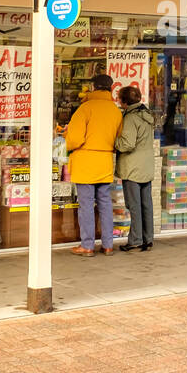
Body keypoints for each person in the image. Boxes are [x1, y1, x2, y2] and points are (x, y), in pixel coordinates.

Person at [65, 74, 123, 256]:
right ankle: (108, 245)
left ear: (93, 87)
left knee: (86, 205)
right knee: (105, 203)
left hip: (85, 162)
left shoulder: (85, 108)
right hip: (105, 161)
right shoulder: (115, 110)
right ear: (111, 89)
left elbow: (74, 139)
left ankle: (87, 245)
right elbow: (118, 139)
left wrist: (65, 139)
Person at [114, 85, 156, 252]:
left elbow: (127, 144)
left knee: (134, 205)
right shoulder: (146, 114)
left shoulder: (130, 118)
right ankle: (148, 238)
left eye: (119, 98)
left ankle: (135, 240)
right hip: (146, 165)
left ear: (124, 101)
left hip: (132, 167)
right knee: (146, 204)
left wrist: (114, 142)